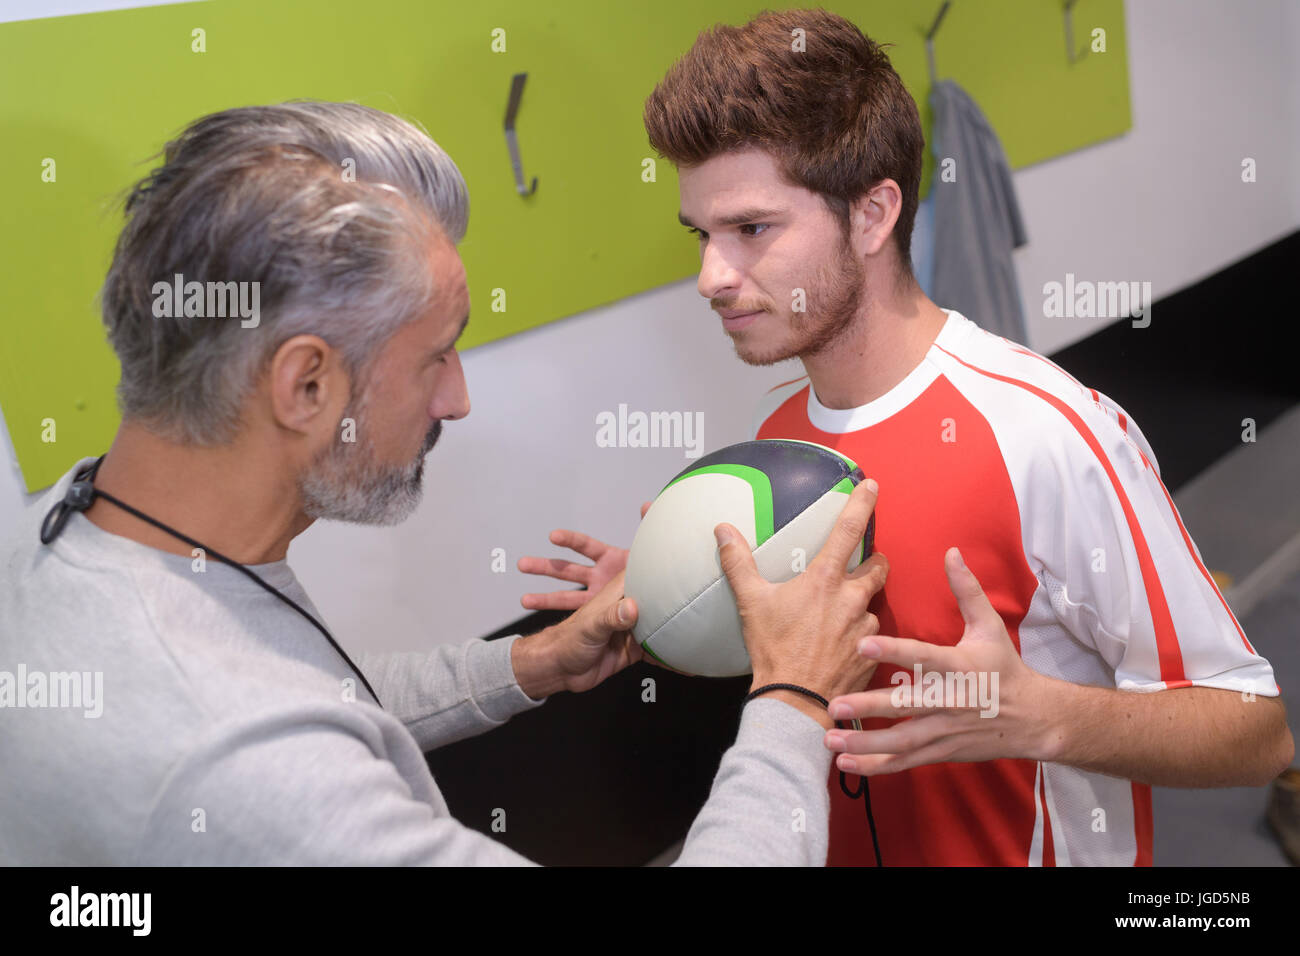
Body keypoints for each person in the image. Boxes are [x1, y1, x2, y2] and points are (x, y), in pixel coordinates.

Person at [0, 101, 891, 866]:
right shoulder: (235, 771)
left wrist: (527, 663)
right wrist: (794, 699)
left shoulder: (81, 528)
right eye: (436, 356)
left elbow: (307, 701)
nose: (458, 400)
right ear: (306, 385)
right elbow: (264, 747)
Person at [519, 8, 1293, 865]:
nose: (711, 276)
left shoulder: (1046, 432)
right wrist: (672, 598)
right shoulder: (778, 438)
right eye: (702, 235)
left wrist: (1045, 717)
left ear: (872, 214)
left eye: (751, 229)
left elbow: (1254, 731)